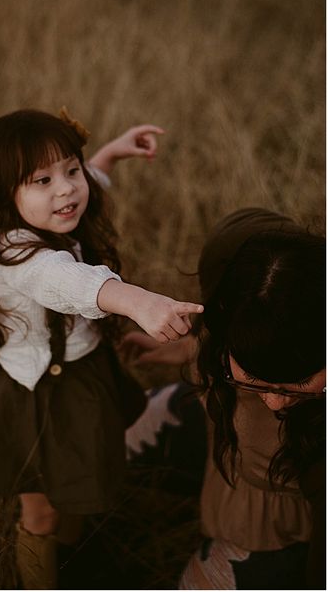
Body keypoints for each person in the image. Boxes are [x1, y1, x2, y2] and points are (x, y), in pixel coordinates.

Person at [0, 108, 200, 588]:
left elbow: (84, 182)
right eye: (43, 180)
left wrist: (109, 156)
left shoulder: (52, 204)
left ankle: (69, 555)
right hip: (36, 395)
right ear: (3, 192)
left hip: (81, 378)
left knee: (78, 485)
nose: (67, 189)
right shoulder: (15, 255)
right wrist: (139, 302)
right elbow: (66, 280)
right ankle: (42, 579)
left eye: (71, 169)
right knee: (41, 509)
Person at [124, 209, 324, 589]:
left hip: (277, 521)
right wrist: (190, 345)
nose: (274, 403)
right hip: (222, 448)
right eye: (253, 380)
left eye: (294, 383)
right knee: (112, 434)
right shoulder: (247, 273)